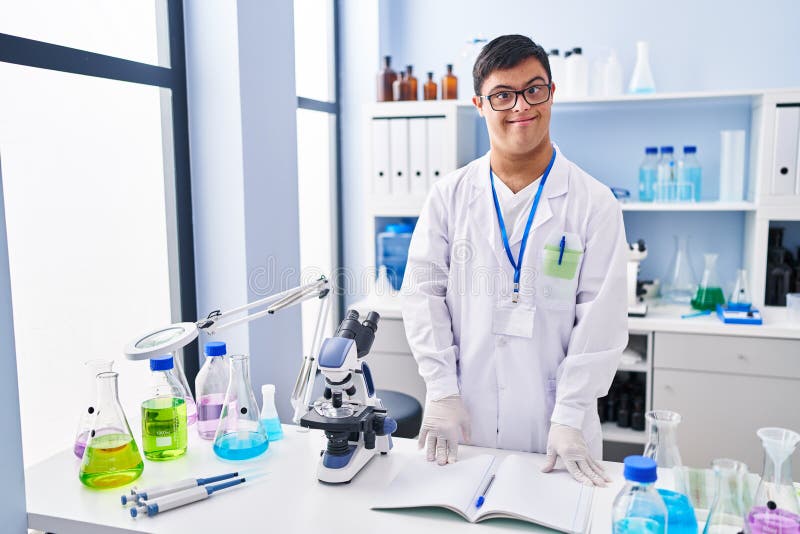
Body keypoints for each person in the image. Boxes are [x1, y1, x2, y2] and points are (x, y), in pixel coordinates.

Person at [401, 34, 628, 487]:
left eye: (533, 90)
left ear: (551, 93)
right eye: (503, 95)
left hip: (556, 433)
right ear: (479, 105)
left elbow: (601, 322)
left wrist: (570, 414)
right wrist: (442, 391)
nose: (521, 106)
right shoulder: (449, 196)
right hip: (465, 423)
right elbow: (422, 296)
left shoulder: (594, 203)